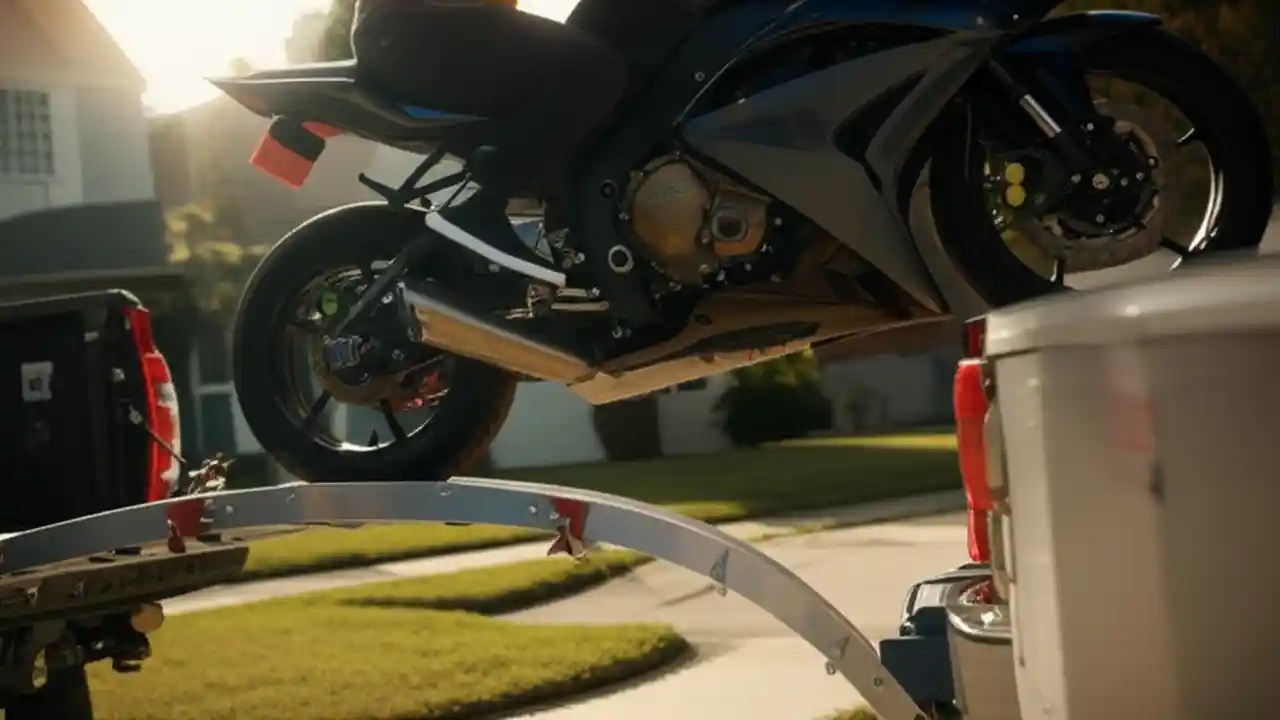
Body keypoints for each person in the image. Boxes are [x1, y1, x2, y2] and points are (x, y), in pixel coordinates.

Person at [351, 0, 628, 268]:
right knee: (595, 70)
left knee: (581, 68)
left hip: (411, 31)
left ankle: (573, 232)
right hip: (408, 31)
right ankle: (486, 202)